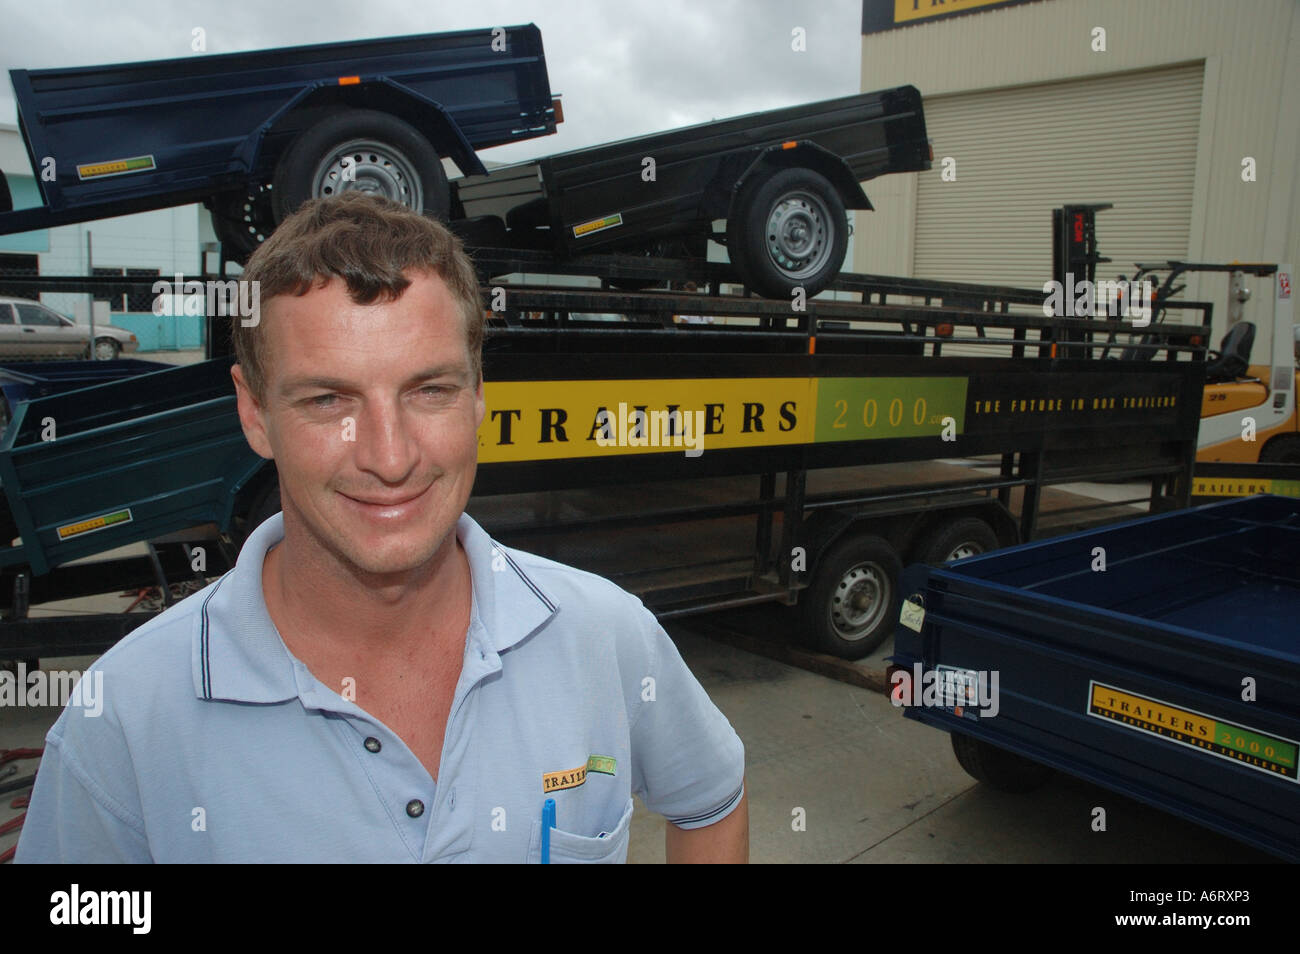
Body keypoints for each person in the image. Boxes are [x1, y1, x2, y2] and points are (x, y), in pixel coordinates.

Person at [15, 192, 747, 863]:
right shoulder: (126, 721)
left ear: (479, 396)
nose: (390, 458)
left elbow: (711, 802)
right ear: (252, 413)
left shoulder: (605, 634)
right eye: (329, 399)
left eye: (429, 390)